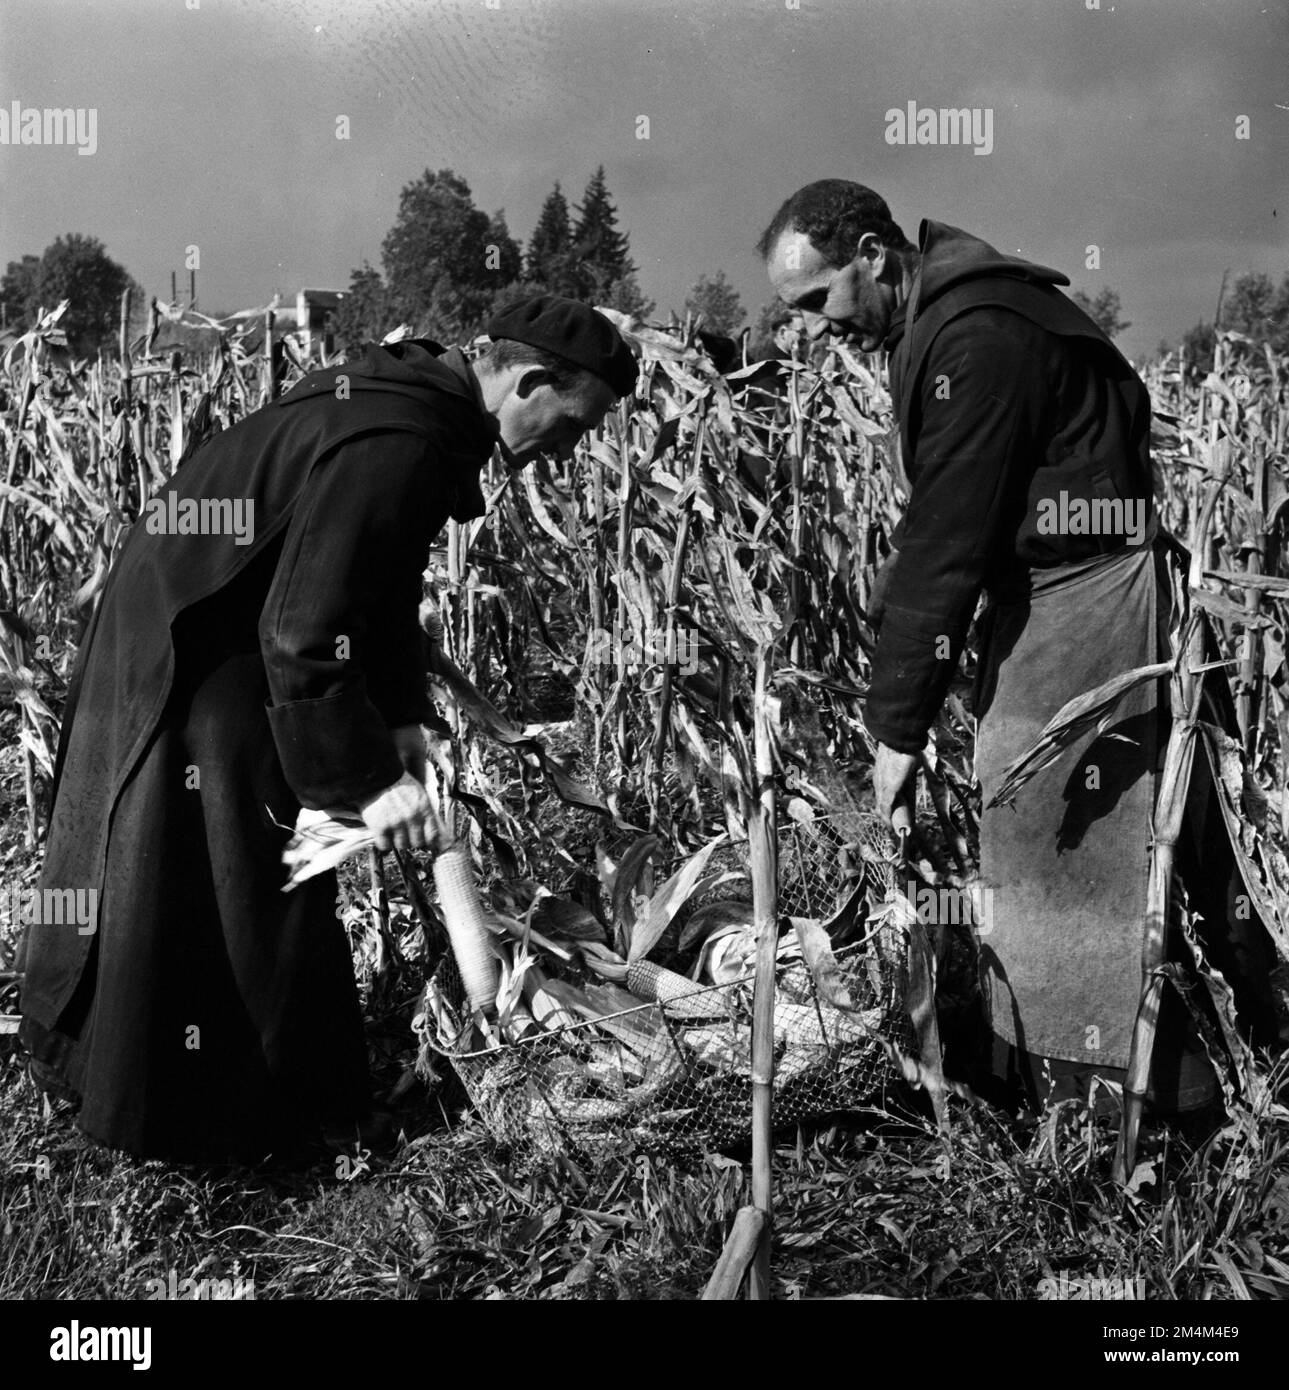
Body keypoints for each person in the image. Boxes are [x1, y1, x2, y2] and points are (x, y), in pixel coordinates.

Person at [18, 294, 635, 1163]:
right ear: (529, 380)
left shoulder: (407, 402)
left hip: (198, 617)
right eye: (574, 424)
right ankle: (266, 1128)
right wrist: (367, 787)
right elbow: (305, 632)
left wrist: (405, 717)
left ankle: (186, 1085)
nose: (567, 453)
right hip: (204, 639)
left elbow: (370, 590)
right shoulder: (403, 441)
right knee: (249, 865)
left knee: (202, 863)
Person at [757, 180, 1284, 1116]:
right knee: (1179, 837)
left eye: (817, 301)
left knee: (1059, 853)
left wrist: (895, 733)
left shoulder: (975, 337)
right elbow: (960, 517)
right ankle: (1253, 1047)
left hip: (1085, 611)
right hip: (1079, 598)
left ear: (874, 256)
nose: (811, 328)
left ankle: (1136, 1108)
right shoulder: (967, 314)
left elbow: (952, 536)